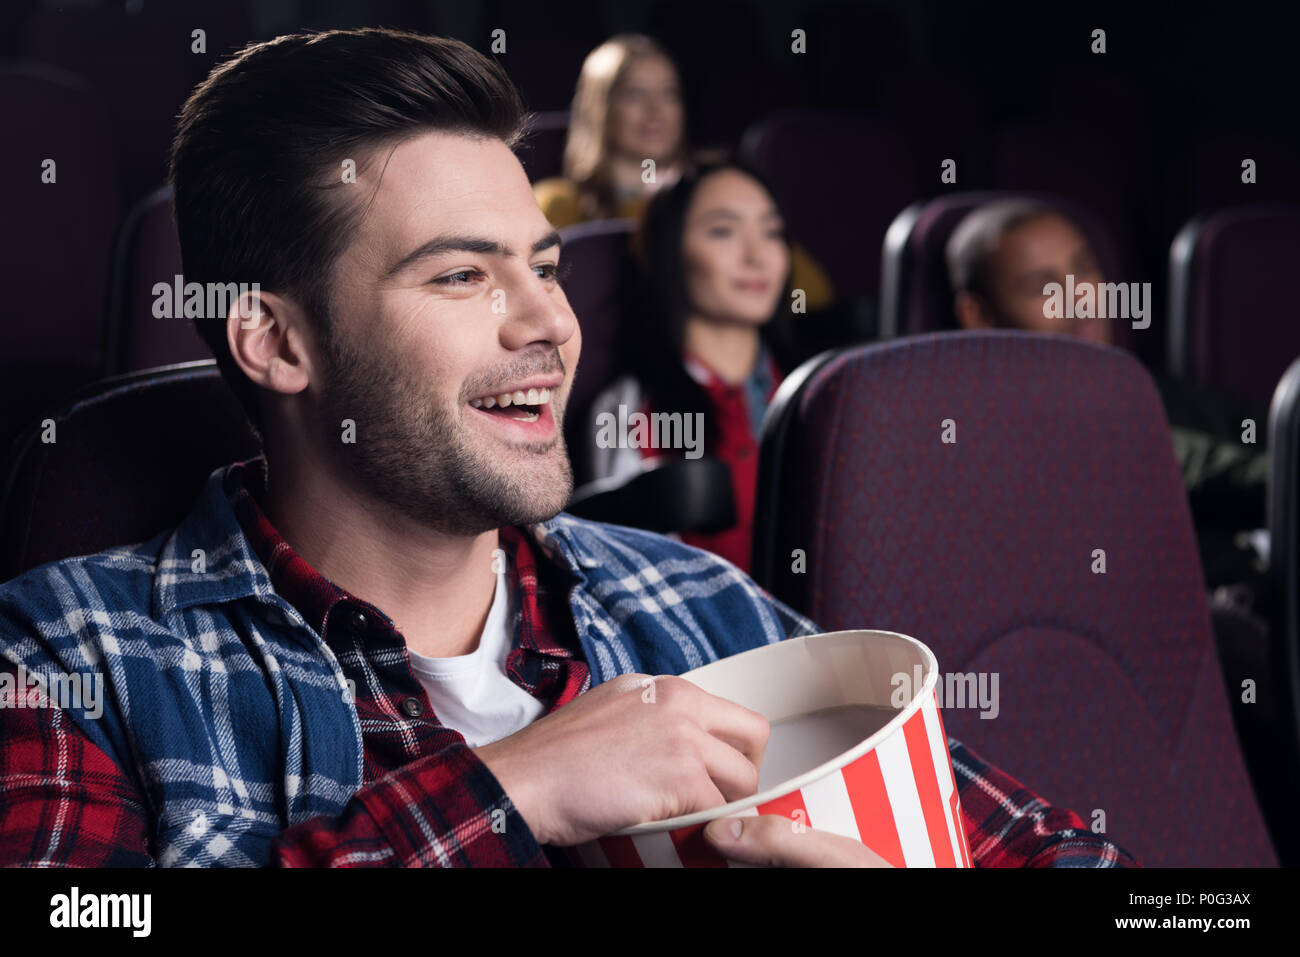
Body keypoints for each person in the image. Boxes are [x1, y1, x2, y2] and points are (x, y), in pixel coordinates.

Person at [0, 28, 1137, 869]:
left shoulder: (698, 605)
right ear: (278, 338)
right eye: (460, 274)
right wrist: (508, 791)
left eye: (541, 267)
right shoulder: (69, 657)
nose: (549, 323)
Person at [945, 200, 1270, 592]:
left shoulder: (1158, 389)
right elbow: (1211, 470)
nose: (1079, 297)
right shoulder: (995, 432)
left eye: (1083, 268)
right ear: (978, 315)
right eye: (1041, 287)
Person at [583, 159, 798, 573]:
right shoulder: (631, 409)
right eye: (723, 231)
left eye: (771, 232)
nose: (758, 256)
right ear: (670, 252)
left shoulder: (821, 390)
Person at [531, 33, 835, 311]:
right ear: (600, 107)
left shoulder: (719, 194)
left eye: (669, 94)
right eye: (634, 94)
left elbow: (813, 291)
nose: (656, 110)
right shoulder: (557, 201)